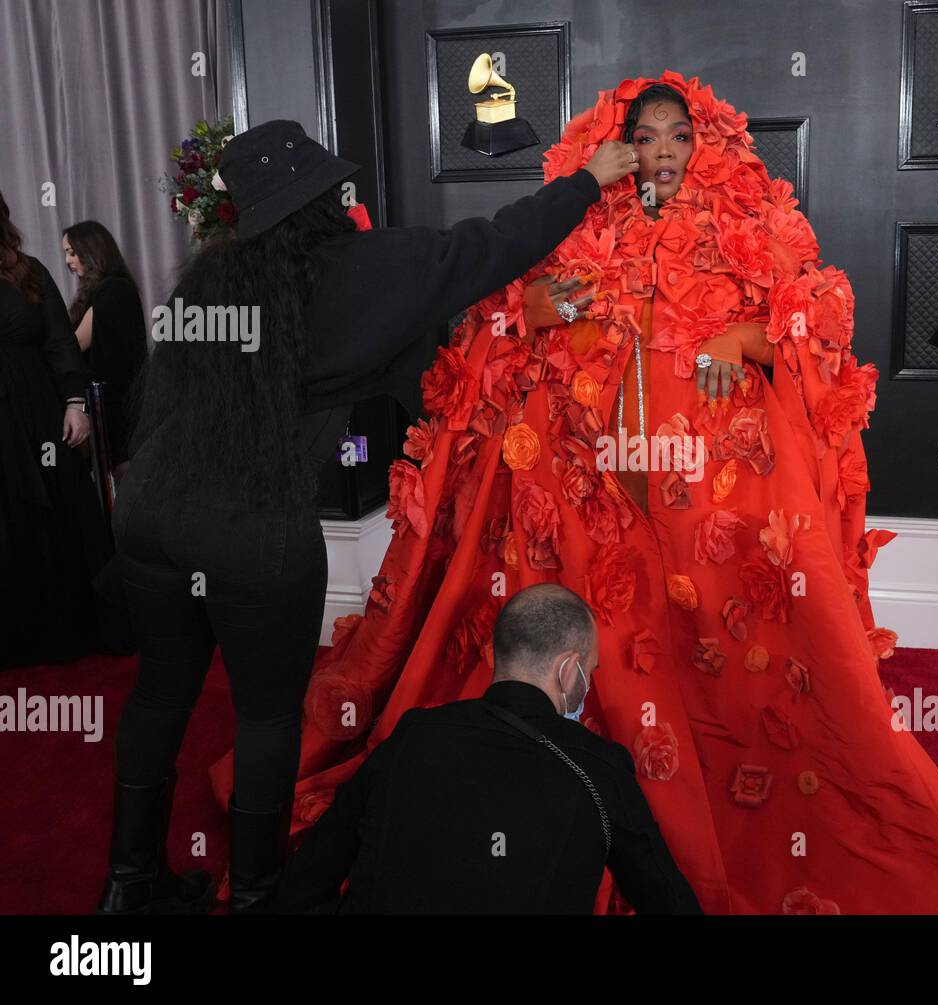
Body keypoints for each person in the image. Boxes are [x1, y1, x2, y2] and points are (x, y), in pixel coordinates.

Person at [216, 75, 938, 914]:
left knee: (728, 667)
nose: (666, 154)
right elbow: (476, 324)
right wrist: (525, 314)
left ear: (703, 146)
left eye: (680, 137)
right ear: (619, 149)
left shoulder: (745, 229)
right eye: (647, 137)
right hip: (584, 497)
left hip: (710, 505)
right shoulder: (577, 226)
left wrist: (738, 334)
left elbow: (813, 325)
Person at [96, 118, 637, 915]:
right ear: (325, 197)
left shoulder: (205, 285)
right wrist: (588, 179)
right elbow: (490, 246)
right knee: (268, 713)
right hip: (251, 532)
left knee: (158, 695)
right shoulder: (364, 267)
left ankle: (124, 885)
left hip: (147, 518)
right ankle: (256, 897)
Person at [273, 584, 701, 914]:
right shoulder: (598, 768)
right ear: (569, 670)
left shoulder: (413, 734)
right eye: (590, 671)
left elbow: (306, 880)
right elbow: (668, 901)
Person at [0, 188, 112, 668]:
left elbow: (61, 344)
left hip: (37, 410)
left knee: (55, 514)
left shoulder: (27, 272)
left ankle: (62, 630)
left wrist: (75, 403)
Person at [61, 221, 148, 485]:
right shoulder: (113, 289)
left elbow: (73, 345)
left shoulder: (111, 290)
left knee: (124, 480)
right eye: (66, 253)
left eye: (72, 252)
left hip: (117, 409)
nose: (68, 261)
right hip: (117, 407)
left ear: (92, 251)